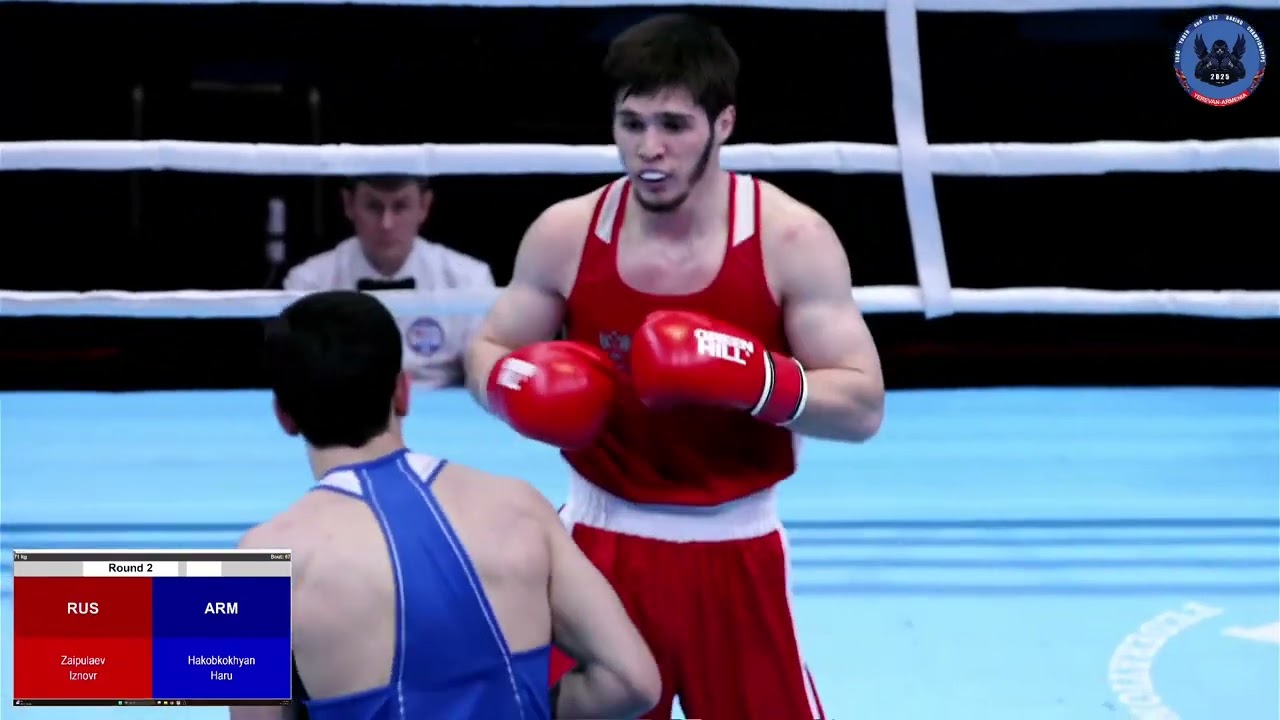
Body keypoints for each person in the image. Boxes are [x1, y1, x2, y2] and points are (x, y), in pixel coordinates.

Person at [464, 12, 885, 720]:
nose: (648, 149)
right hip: (600, 544)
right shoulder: (568, 233)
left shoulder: (790, 239)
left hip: (740, 549)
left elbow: (863, 408)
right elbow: (485, 354)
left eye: (673, 124)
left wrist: (756, 380)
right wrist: (519, 388)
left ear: (723, 123)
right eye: (631, 123)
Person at [231, 290, 661, 720]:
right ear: (403, 393)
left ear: (283, 416)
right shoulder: (522, 505)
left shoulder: (246, 564)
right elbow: (634, 682)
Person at [283, 175, 496, 389]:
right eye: (374, 207)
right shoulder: (309, 282)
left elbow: (483, 371)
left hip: (446, 413)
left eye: (400, 206)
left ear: (424, 206)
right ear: (349, 204)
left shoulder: (468, 279)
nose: (387, 224)